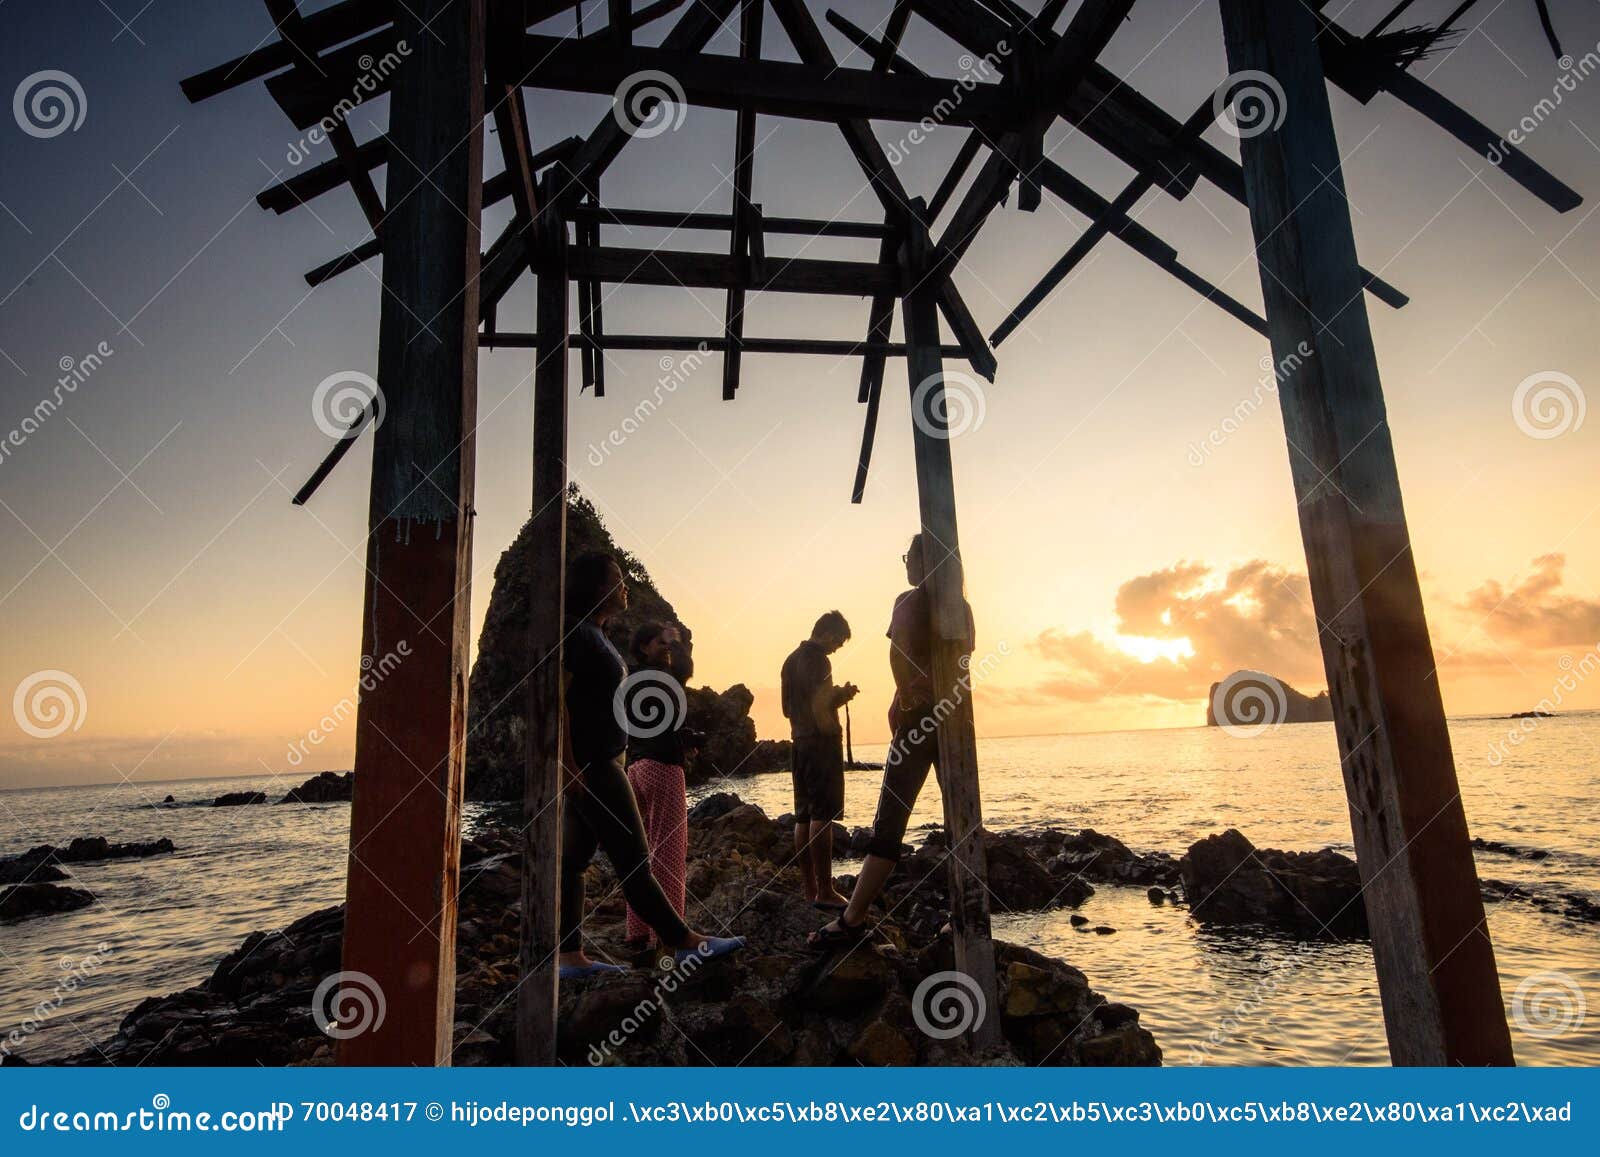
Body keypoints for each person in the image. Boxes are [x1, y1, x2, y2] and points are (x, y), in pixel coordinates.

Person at [557, 551, 744, 978]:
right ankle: (683, 942)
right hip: (595, 764)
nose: (625, 585)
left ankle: (569, 957)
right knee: (635, 859)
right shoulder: (576, 633)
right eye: (618, 579)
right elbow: (557, 700)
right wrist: (567, 764)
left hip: (606, 760)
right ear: (598, 588)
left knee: (574, 861)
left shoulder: (596, 633)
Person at [809, 535, 974, 947]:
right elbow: (965, 663)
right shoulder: (963, 607)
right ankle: (964, 915)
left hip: (918, 722)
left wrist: (909, 701)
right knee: (962, 820)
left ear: (925, 560)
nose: (905, 564)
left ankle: (852, 919)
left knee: (890, 823)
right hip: (955, 720)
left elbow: (898, 657)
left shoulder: (908, 601)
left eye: (909, 556)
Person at [621, 620, 702, 950]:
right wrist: (679, 640)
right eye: (660, 642)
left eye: (668, 643)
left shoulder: (629, 679)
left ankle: (638, 931)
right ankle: (669, 935)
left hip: (635, 769)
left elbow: (651, 724)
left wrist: (682, 738)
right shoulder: (661, 676)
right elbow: (685, 668)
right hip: (663, 769)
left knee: (641, 855)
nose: (667, 648)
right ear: (644, 647)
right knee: (669, 853)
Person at [780, 610, 858, 909]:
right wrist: (844, 695)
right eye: (839, 641)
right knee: (822, 816)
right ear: (828, 633)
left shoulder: (789, 660)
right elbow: (821, 703)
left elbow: (788, 709)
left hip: (798, 742)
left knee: (803, 816)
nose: (838, 648)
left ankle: (810, 888)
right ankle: (826, 890)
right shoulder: (819, 660)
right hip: (821, 744)